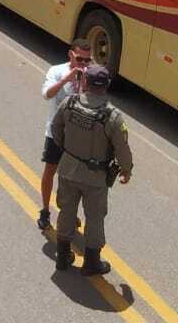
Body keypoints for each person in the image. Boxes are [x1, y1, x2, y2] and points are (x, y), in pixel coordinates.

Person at [51, 64, 133, 277]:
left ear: (85, 82)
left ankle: (62, 257)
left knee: (66, 211)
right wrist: (126, 170)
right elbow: (122, 148)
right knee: (95, 217)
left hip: (68, 169)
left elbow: (55, 128)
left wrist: (67, 150)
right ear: (106, 85)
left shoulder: (69, 103)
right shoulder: (113, 116)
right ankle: (91, 263)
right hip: (95, 178)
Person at [37, 39, 92, 231]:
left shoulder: (90, 75)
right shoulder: (56, 71)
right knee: (50, 172)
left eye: (87, 60)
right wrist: (65, 80)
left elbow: (95, 104)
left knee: (73, 179)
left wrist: (86, 86)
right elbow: (47, 94)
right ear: (70, 55)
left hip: (77, 138)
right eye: (79, 59)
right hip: (56, 134)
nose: (83, 64)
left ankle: (69, 212)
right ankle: (45, 210)